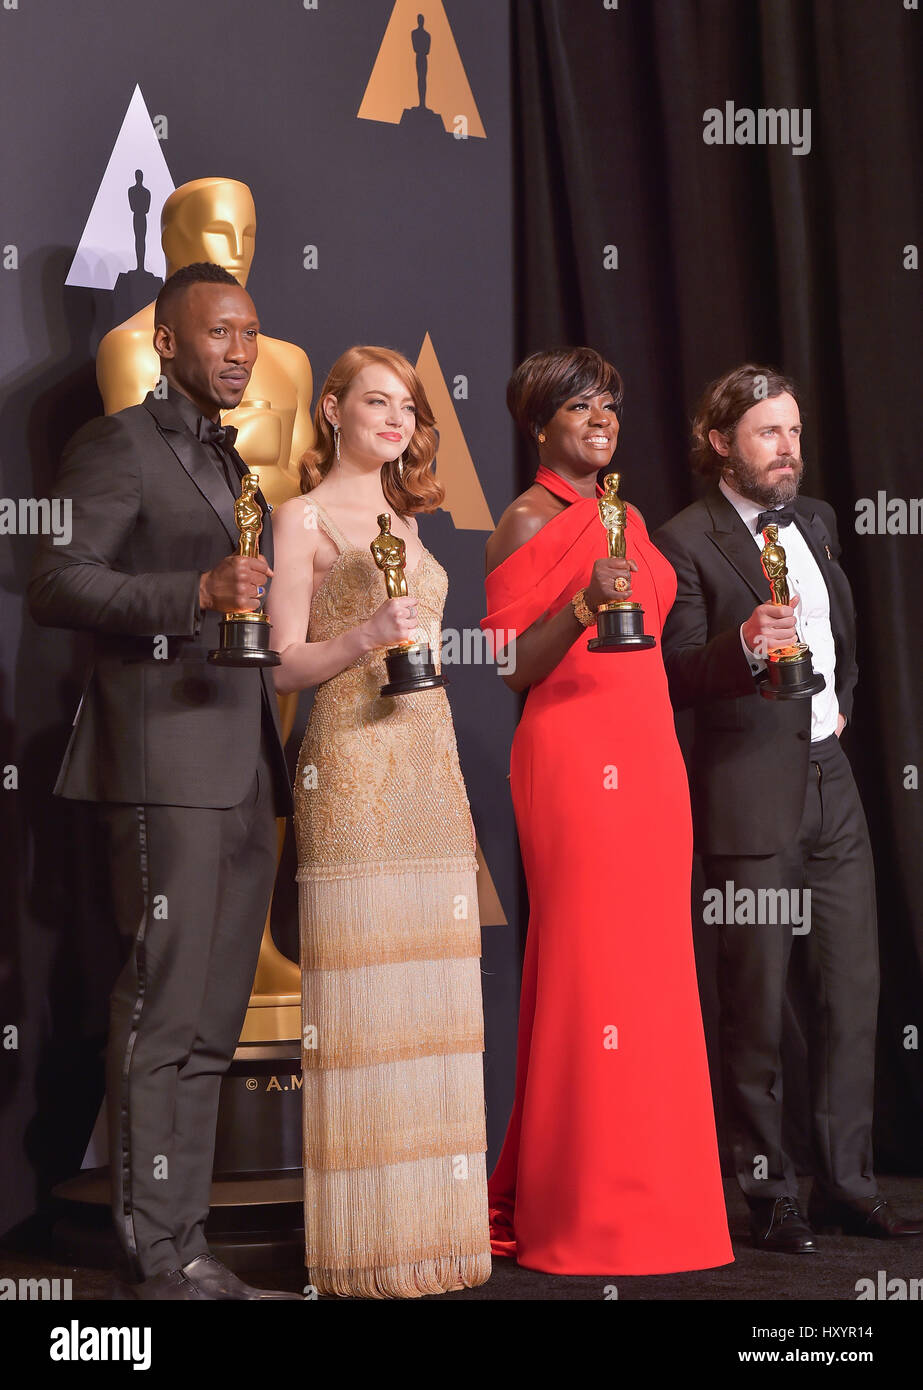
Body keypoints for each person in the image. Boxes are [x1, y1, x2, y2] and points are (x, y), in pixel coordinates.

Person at [28, 262, 300, 1300]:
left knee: (209, 1026)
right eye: (219, 332)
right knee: (162, 1014)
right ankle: (160, 1255)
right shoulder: (117, 445)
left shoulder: (233, 464)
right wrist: (190, 587)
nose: (239, 349)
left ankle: (186, 1248)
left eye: (251, 331)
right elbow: (54, 578)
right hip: (158, 765)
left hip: (239, 768)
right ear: (169, 345)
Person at [652, 363, 921, 1252]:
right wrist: (739, 644)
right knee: (757, 1003)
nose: (788, 448)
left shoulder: (815, 521)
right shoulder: (682, 540)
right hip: (746, 793)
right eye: (769, 432)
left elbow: (839, 627)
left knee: (851, 990)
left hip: (827, 780)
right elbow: (672, 672)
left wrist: (835, 698)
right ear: (720, 441)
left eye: (794, 431)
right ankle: (768, 1196)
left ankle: (846, 1182)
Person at [481, 347, 733, 1275]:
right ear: (539, 423)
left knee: (654, 977)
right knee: (592, 977)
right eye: (579, 406)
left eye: (609, 406)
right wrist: (586, 600)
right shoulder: (521, 520)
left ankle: (662, 1205)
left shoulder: (622, 514)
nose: (600, 418)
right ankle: (579, 1209)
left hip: (650, 762)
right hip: (573, 758)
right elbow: (507, 664)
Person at [267, 345, 491, 1298]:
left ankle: (436, 1242)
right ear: (332, 410)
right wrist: (361, 636)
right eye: (376, 402)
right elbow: (278, 665)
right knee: (363, 1011)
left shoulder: (410, 514)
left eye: (406, 405)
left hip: (426, 766)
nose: (395, 420)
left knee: (433, 1006)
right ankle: (363, 1252)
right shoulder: (301, 517)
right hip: (350, 770)